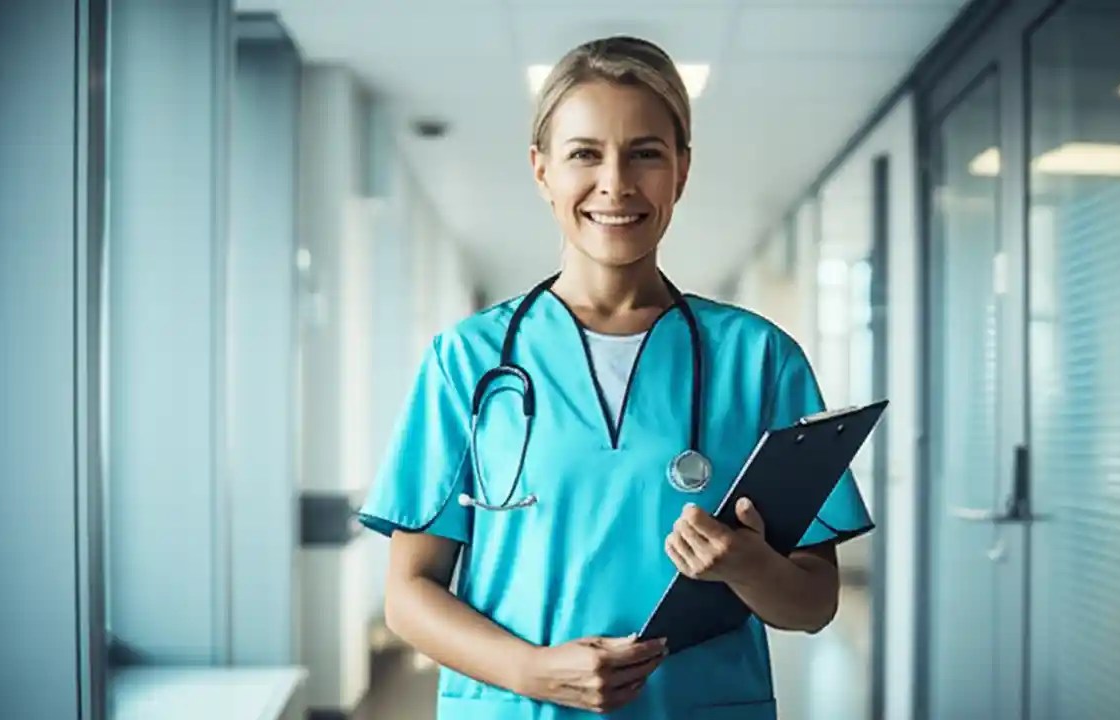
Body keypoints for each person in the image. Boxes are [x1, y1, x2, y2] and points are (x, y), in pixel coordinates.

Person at [357, 35, 873, 720]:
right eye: (584, 153)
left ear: (682, 171)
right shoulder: (469, 360)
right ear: (541, 171)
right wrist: (534, 672)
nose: (616, 183)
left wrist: (747, 565)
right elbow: (410, 595)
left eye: (646, 154)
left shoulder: (760, 359)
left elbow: (814, 602)